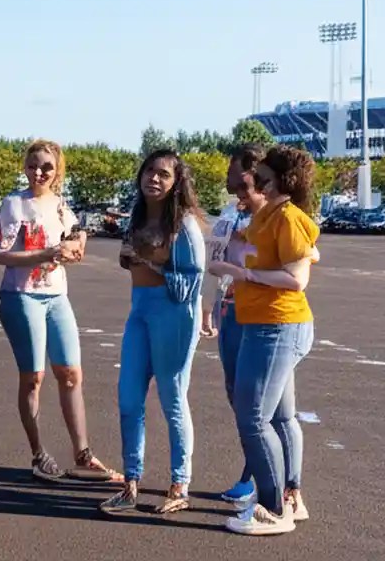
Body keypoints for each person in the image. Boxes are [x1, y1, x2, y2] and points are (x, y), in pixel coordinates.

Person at [0, 140, 119, 482]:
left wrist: (77, 245)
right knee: (34, 378)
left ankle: (83, 453)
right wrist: (47, 254)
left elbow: (74, 235)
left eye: (47, 166)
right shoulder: (14, 204)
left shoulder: (61, 205)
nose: (39, 172)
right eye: (33, 165)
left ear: (57, 170)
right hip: (22, 295)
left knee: (71, 373)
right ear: (24, 167)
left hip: (56, 295)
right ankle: (38, 453)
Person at [210, 146, 320, 536]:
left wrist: (241, 273)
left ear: (284, 181)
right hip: (264, 323)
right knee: (279, 416)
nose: (256, 184)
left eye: (264, 178)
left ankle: (274, 508)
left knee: (253, 418)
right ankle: (289, 498)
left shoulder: (288, 217)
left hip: (276, 325)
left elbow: (296, 279)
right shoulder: (270, 215)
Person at [100, 149, 206, 515]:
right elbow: (133, 261)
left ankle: (180, 484)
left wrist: (150, 262)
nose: (154, 179)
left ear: (177, 182)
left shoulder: (184, 224)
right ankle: (131, 482)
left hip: (174, 315)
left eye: (163, 174)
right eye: (149, 171)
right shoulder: (138, 216)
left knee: (172, 398)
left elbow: (193, 281)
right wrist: (130, 258)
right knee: (129, 399)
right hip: (140, 311)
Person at [204, 144, 266, 506]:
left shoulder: (271, 212)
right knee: (236, 396)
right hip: (229, 310)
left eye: (233, 168)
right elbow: (216, 261)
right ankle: (255, 470)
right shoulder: (231, 212)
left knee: (259, 402)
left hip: (259, 313)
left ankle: (265, 478)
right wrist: (210, 305)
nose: (227, 174)